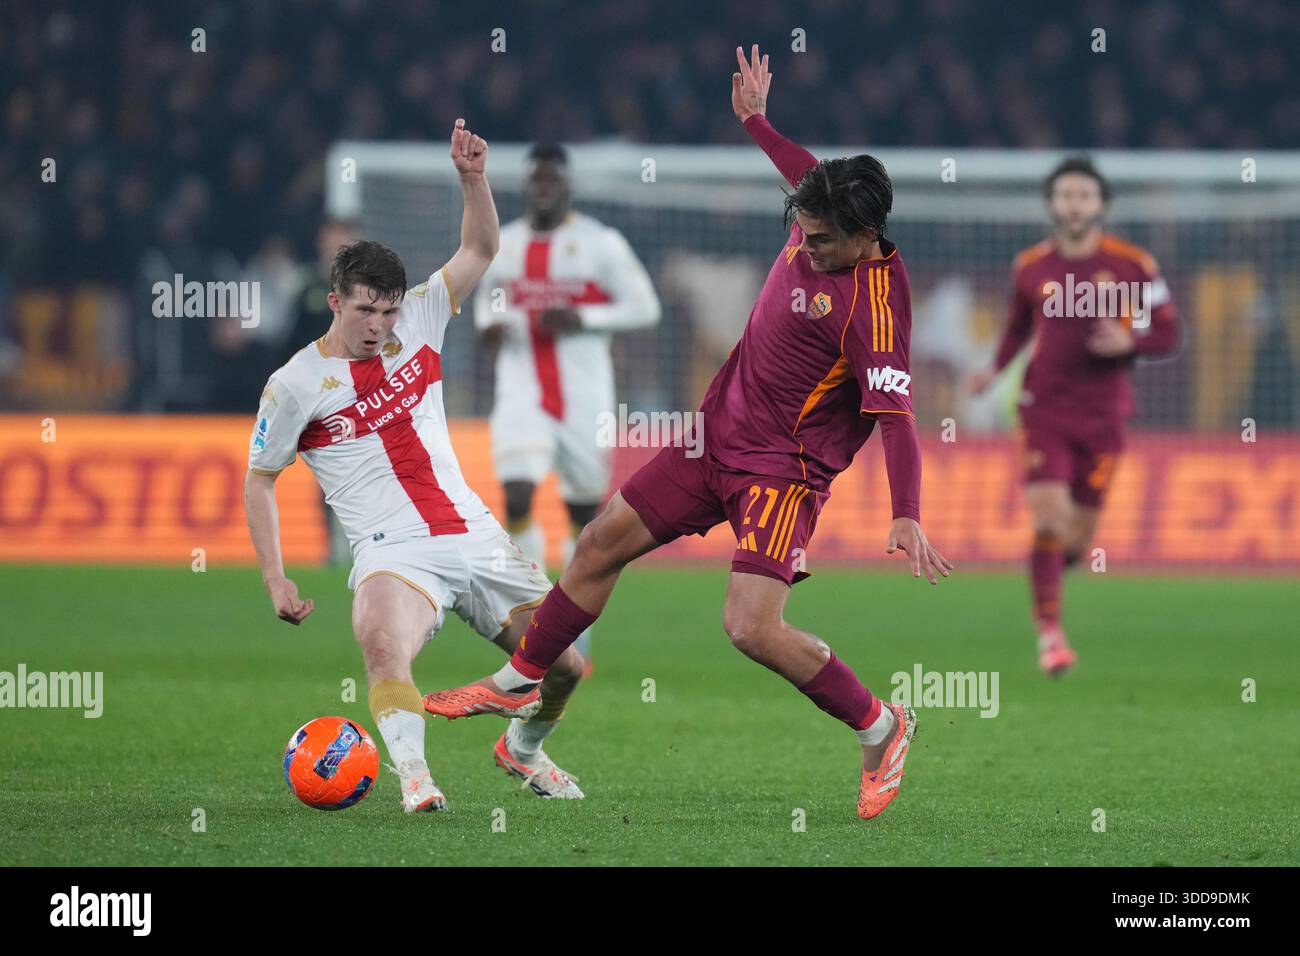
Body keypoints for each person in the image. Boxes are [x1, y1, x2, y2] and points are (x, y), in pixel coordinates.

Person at [425, 48, 952, 822]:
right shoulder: (824, 209)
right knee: (602, 538)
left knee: (749, 627)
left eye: (820, 241)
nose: (804, 247)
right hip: (714, 434)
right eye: (800, 230)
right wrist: (756, 122)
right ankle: (522, 681)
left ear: (866, 234)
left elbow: (896, 417)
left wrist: (906, 508)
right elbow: (805, 170)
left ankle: (882, 724)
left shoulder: (876, 309)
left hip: (782, 469)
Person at [244, 120, 585, 813]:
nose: (378, 326)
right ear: (336, 299)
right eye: (365, 310)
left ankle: (520, 749)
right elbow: (260, 477)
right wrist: (275, 575)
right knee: (382, 647)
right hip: (392, 552)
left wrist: (473, 178)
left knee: (568, 665)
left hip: (476, 534)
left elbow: (481, 247)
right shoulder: (295, 383)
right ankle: (415, 781)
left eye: (389, 311)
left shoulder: (421, 319)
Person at [970, 156, 1178, 676]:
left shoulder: (1134, 266)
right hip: (1044, 409)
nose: (1075, 204)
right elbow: (1018, 329)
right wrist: (994, 371)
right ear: (1052, 204)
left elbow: (1170, 334)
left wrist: (1130, 342)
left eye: (1084, 195)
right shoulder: (1031, 267)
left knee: (1077, 540)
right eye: (1066, 195)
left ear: (1101, 204)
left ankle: (1046, 576)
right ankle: (1050, 636)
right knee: (1049, 518)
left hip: (1105, 415)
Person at [474, 142, 661, 672]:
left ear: (567, 186)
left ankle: (578, 638)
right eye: (536, 181)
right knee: (517, 493)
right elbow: (488, 299)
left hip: (584, 400)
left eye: (552, 181)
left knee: (585, 520)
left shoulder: (600, 244)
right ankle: (536, 616)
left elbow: (647, 307)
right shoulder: (503, 245)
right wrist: (488, 326)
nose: (544, 189)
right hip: (521, 394)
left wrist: (585, 318)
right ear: (526, 186)